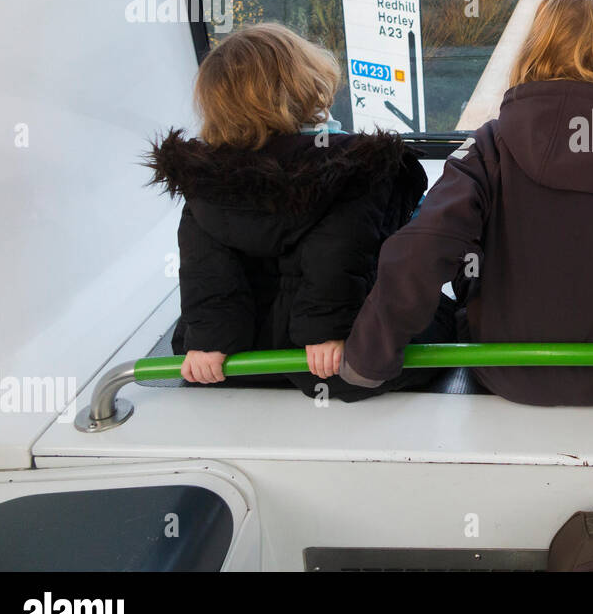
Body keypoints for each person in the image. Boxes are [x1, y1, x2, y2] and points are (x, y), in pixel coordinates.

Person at [336, 0, 593, 481]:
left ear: (536, 45)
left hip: (501, 371)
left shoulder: (489, 149)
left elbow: (424, 246)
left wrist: (368, 357)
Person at [145, 23, 438, 400]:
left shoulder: (204, 180)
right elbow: (339, 249)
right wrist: (326, 332)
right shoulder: (352, 165)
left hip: (244, 362)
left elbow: (205, 267)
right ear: (307, 86)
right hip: (332, 359)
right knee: (440, 319)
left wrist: (209, 343)